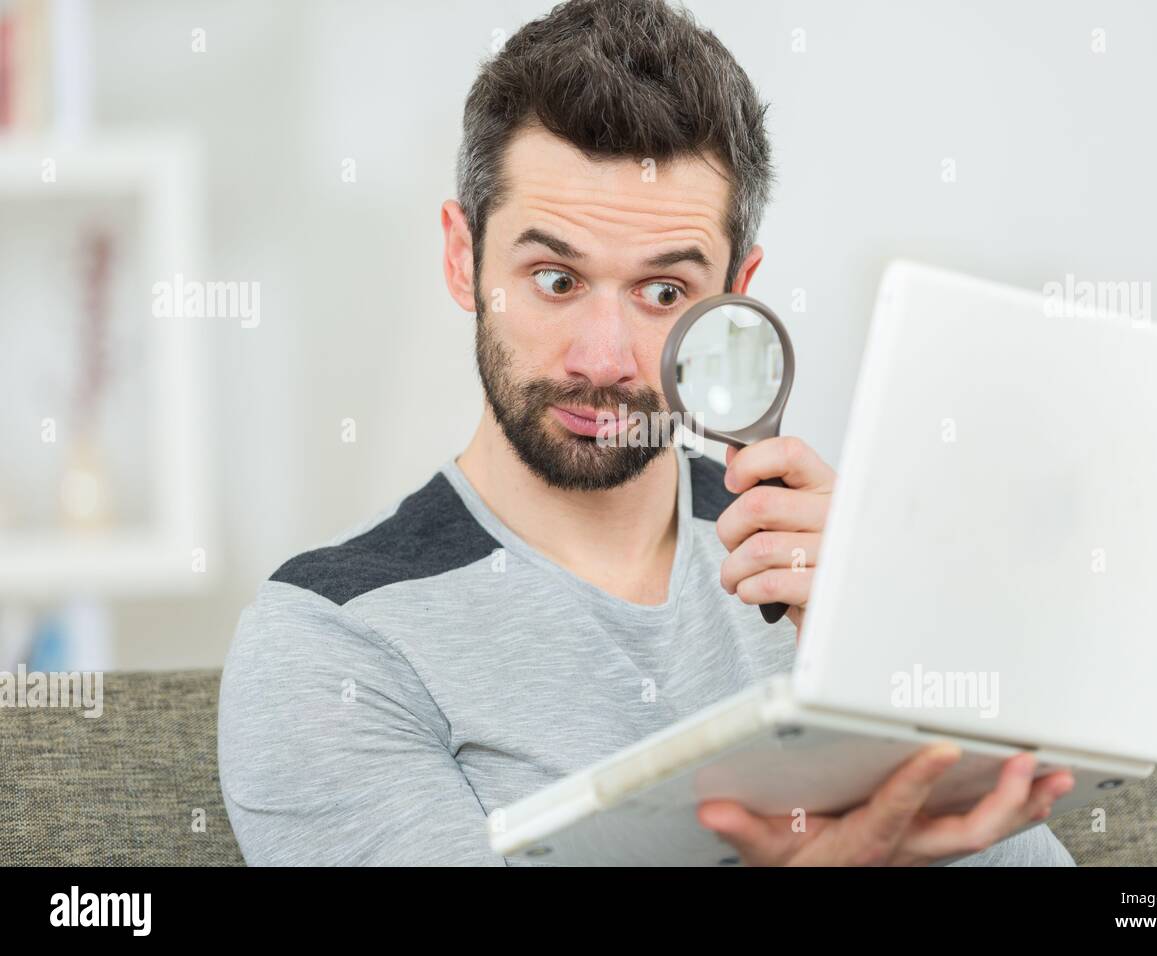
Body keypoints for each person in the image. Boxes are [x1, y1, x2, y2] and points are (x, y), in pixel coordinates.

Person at [218, 0, 1076, 866]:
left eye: (664, 293)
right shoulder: (332, 640)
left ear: (734, 294)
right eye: (554, 278)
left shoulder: (830, 571)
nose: (603, 358)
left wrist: (875, 669)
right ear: (461, 257)